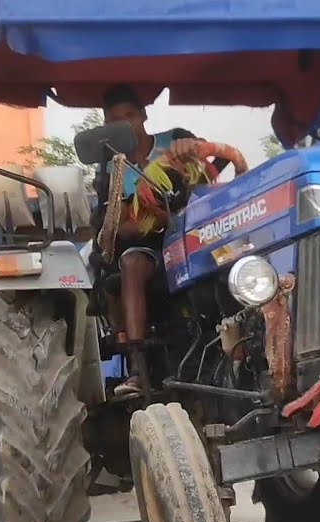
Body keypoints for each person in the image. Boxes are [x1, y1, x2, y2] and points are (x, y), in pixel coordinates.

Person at [90, 84, 202, 396]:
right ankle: (138, 367)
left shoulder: (175, 139)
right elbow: (110, 227)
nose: (124, 124)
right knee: (132, 261)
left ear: (143, 116)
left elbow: (207, 164)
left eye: (129, 115)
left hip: (195, 232)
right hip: (153, 246)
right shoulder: (112, 170)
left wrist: (190, 146)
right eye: (115, 120)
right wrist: (145, 221)